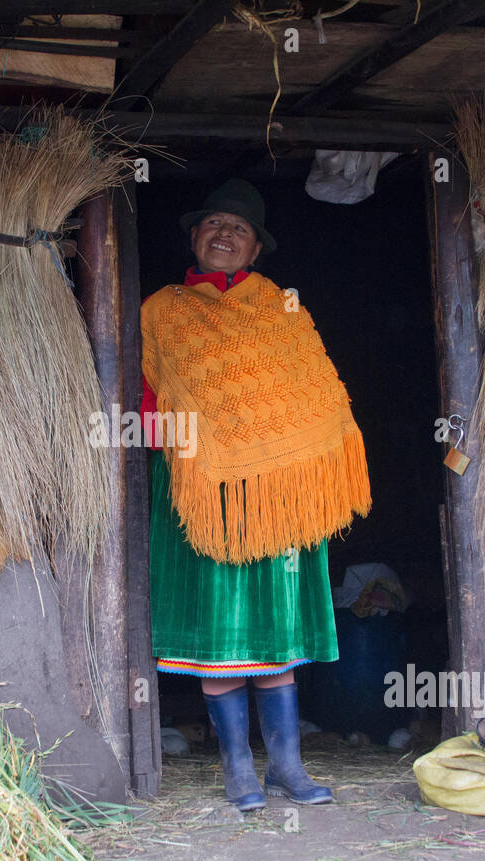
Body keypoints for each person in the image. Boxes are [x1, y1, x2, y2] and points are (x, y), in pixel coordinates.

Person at [140, 178, 372, 811]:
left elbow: (314, 395)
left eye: (237, 228)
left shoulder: (282, 307)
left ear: (255, 249)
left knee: (274, 633)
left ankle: (288, 768)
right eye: (213, 223)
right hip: (204, 494)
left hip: (278, 499)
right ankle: (239, 769)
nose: (223, 234)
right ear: (193, 237)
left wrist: (294, 468)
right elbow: (153, 400)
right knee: (223, 634)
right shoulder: (163, 309)